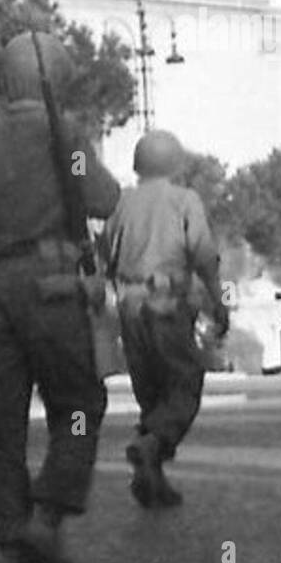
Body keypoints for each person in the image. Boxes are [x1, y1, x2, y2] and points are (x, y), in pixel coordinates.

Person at [0, 31, 120, 563]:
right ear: (60, 81)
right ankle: (46, 518)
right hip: (52, 291)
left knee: (2, 428)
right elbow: (104, 199)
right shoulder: (63, 133)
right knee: (78, 406)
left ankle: (10, 551)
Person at [103, 129, 225, 509]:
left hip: (129, 306)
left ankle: (151, 475)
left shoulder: (120, 203)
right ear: (175, 162)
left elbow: (105, 253)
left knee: (151, 394)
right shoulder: (183, 200)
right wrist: (217, 300)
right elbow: (203, 254)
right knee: (184, 384)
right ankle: (151, 444)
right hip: (167, 303)